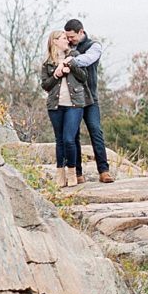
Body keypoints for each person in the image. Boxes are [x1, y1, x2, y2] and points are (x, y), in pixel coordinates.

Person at [62, 19, 114, 183]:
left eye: (72, 36)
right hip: (72, 98)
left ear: (81, 32)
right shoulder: (66, 46)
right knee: (73, 135)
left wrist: (70, 61)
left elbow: (88, 60)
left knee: (95, 131)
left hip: (90, 97)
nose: (70, 40)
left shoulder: (94, 46)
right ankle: (77, 174)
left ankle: (104, 171)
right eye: (67, 37)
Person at [40, 29, 91, 188]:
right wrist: (56, 74)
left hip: (74, 104)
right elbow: (45, 86)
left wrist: (72, 66)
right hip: (55, 105)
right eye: (63, 38)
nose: (67, 41)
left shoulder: (75, 56)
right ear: (54, 41)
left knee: (69, 139)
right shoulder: (47, 63)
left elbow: (84, 77)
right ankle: (60, 175)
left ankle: (72, 173)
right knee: (60, 141)